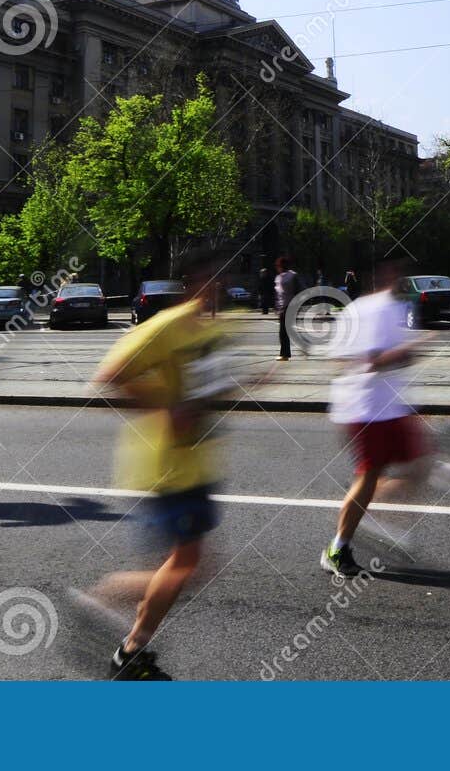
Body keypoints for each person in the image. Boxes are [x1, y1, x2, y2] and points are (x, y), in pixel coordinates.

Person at [82, 247, 242, 681]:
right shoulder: (166, 327)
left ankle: (123, 632)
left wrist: (246, 384)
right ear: (191, 284)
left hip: (197, 461)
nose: (220, 286)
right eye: (211, 278)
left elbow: (210, 388)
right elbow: (111, 375)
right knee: (188, 563)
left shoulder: (216, 329)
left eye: (222, 278)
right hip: (167, 465)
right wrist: (168, 407)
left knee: (189, 565)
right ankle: (124, 642)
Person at [321, 261, 430, 577]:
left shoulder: (371, 308)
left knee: (420, 466)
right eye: (394, 275)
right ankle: (339, 546)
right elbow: (371, 361)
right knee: (370, 475)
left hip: (386, 406)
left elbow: (350, 359)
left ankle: (363, 514)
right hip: (367, 407)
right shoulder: (374, 309)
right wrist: (412, 348)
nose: (398, 280)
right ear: (384, 278)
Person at [274, 257, 299, 361]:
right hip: (283, 306)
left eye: (278, 266)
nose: (277, 268)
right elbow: (278, 294)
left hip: (289, 305)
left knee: (283, 331)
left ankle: (285, 354)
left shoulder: (292, 275)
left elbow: (298, 289)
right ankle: (285, 354)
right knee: (285, 331)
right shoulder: (279, 277)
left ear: (281, 266)